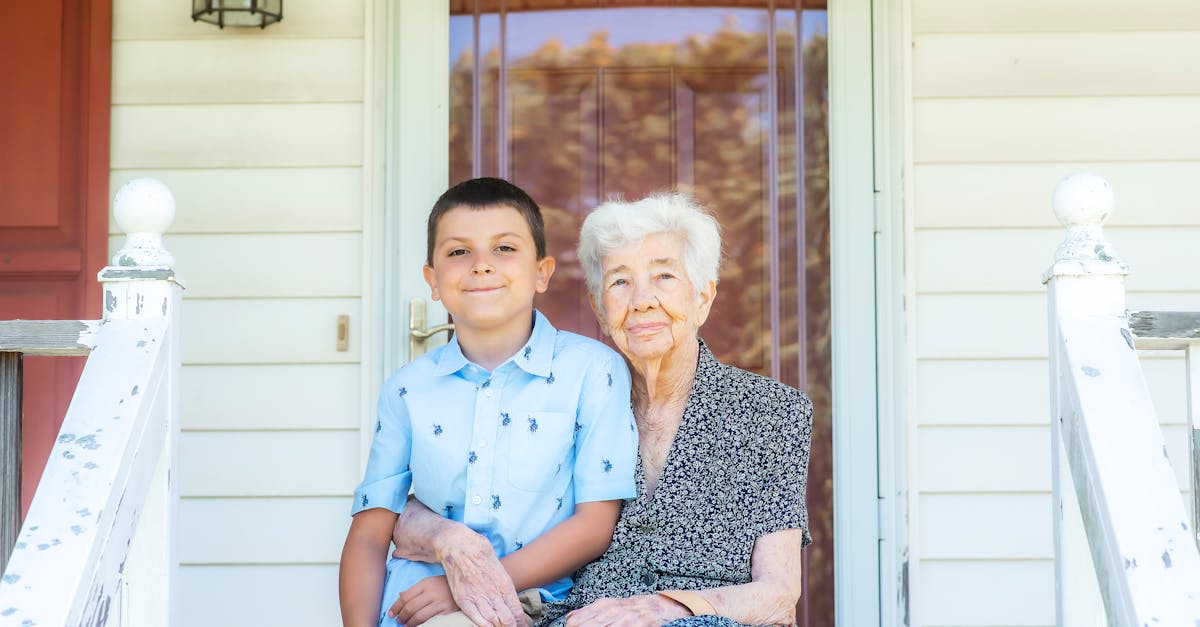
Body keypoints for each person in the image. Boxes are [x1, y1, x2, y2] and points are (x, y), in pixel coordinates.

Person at [390, 193, 813, 627]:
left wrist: (665, 607)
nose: (642, 300)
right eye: (620, 282)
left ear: (702, 298)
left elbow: (779, 594)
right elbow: (430, 498)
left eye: (664, 276)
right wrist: (448, 538)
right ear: (599, 308)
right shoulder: (572, 395)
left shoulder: (769, 412)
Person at [339, 177, 639, 627]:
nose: (481, 265)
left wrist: (469, 584)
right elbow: (369, 534)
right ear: (433, 280)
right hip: (416, 600)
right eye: (459, 252)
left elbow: (595, 524)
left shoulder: (592, 371)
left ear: (542, 272)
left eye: (504, 248)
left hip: (528, 596)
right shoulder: (407, 389)